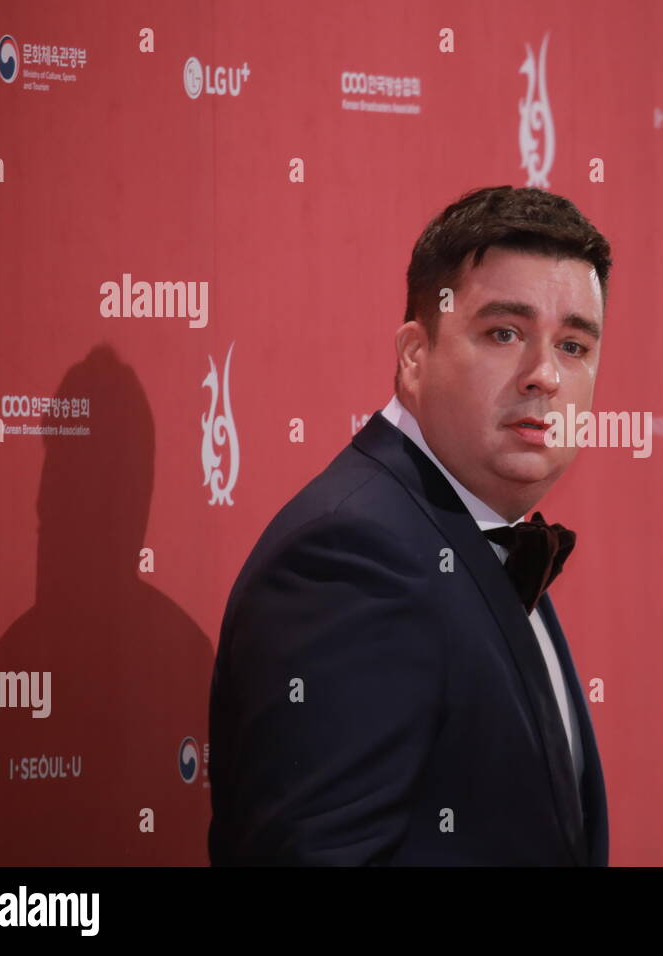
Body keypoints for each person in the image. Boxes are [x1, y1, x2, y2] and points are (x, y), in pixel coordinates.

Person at [207, 185, 611, 865]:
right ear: (414, 357)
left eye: (573, 345)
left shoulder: (474, 530)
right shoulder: (350, 557)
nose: (544, 375)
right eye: (504, 333)